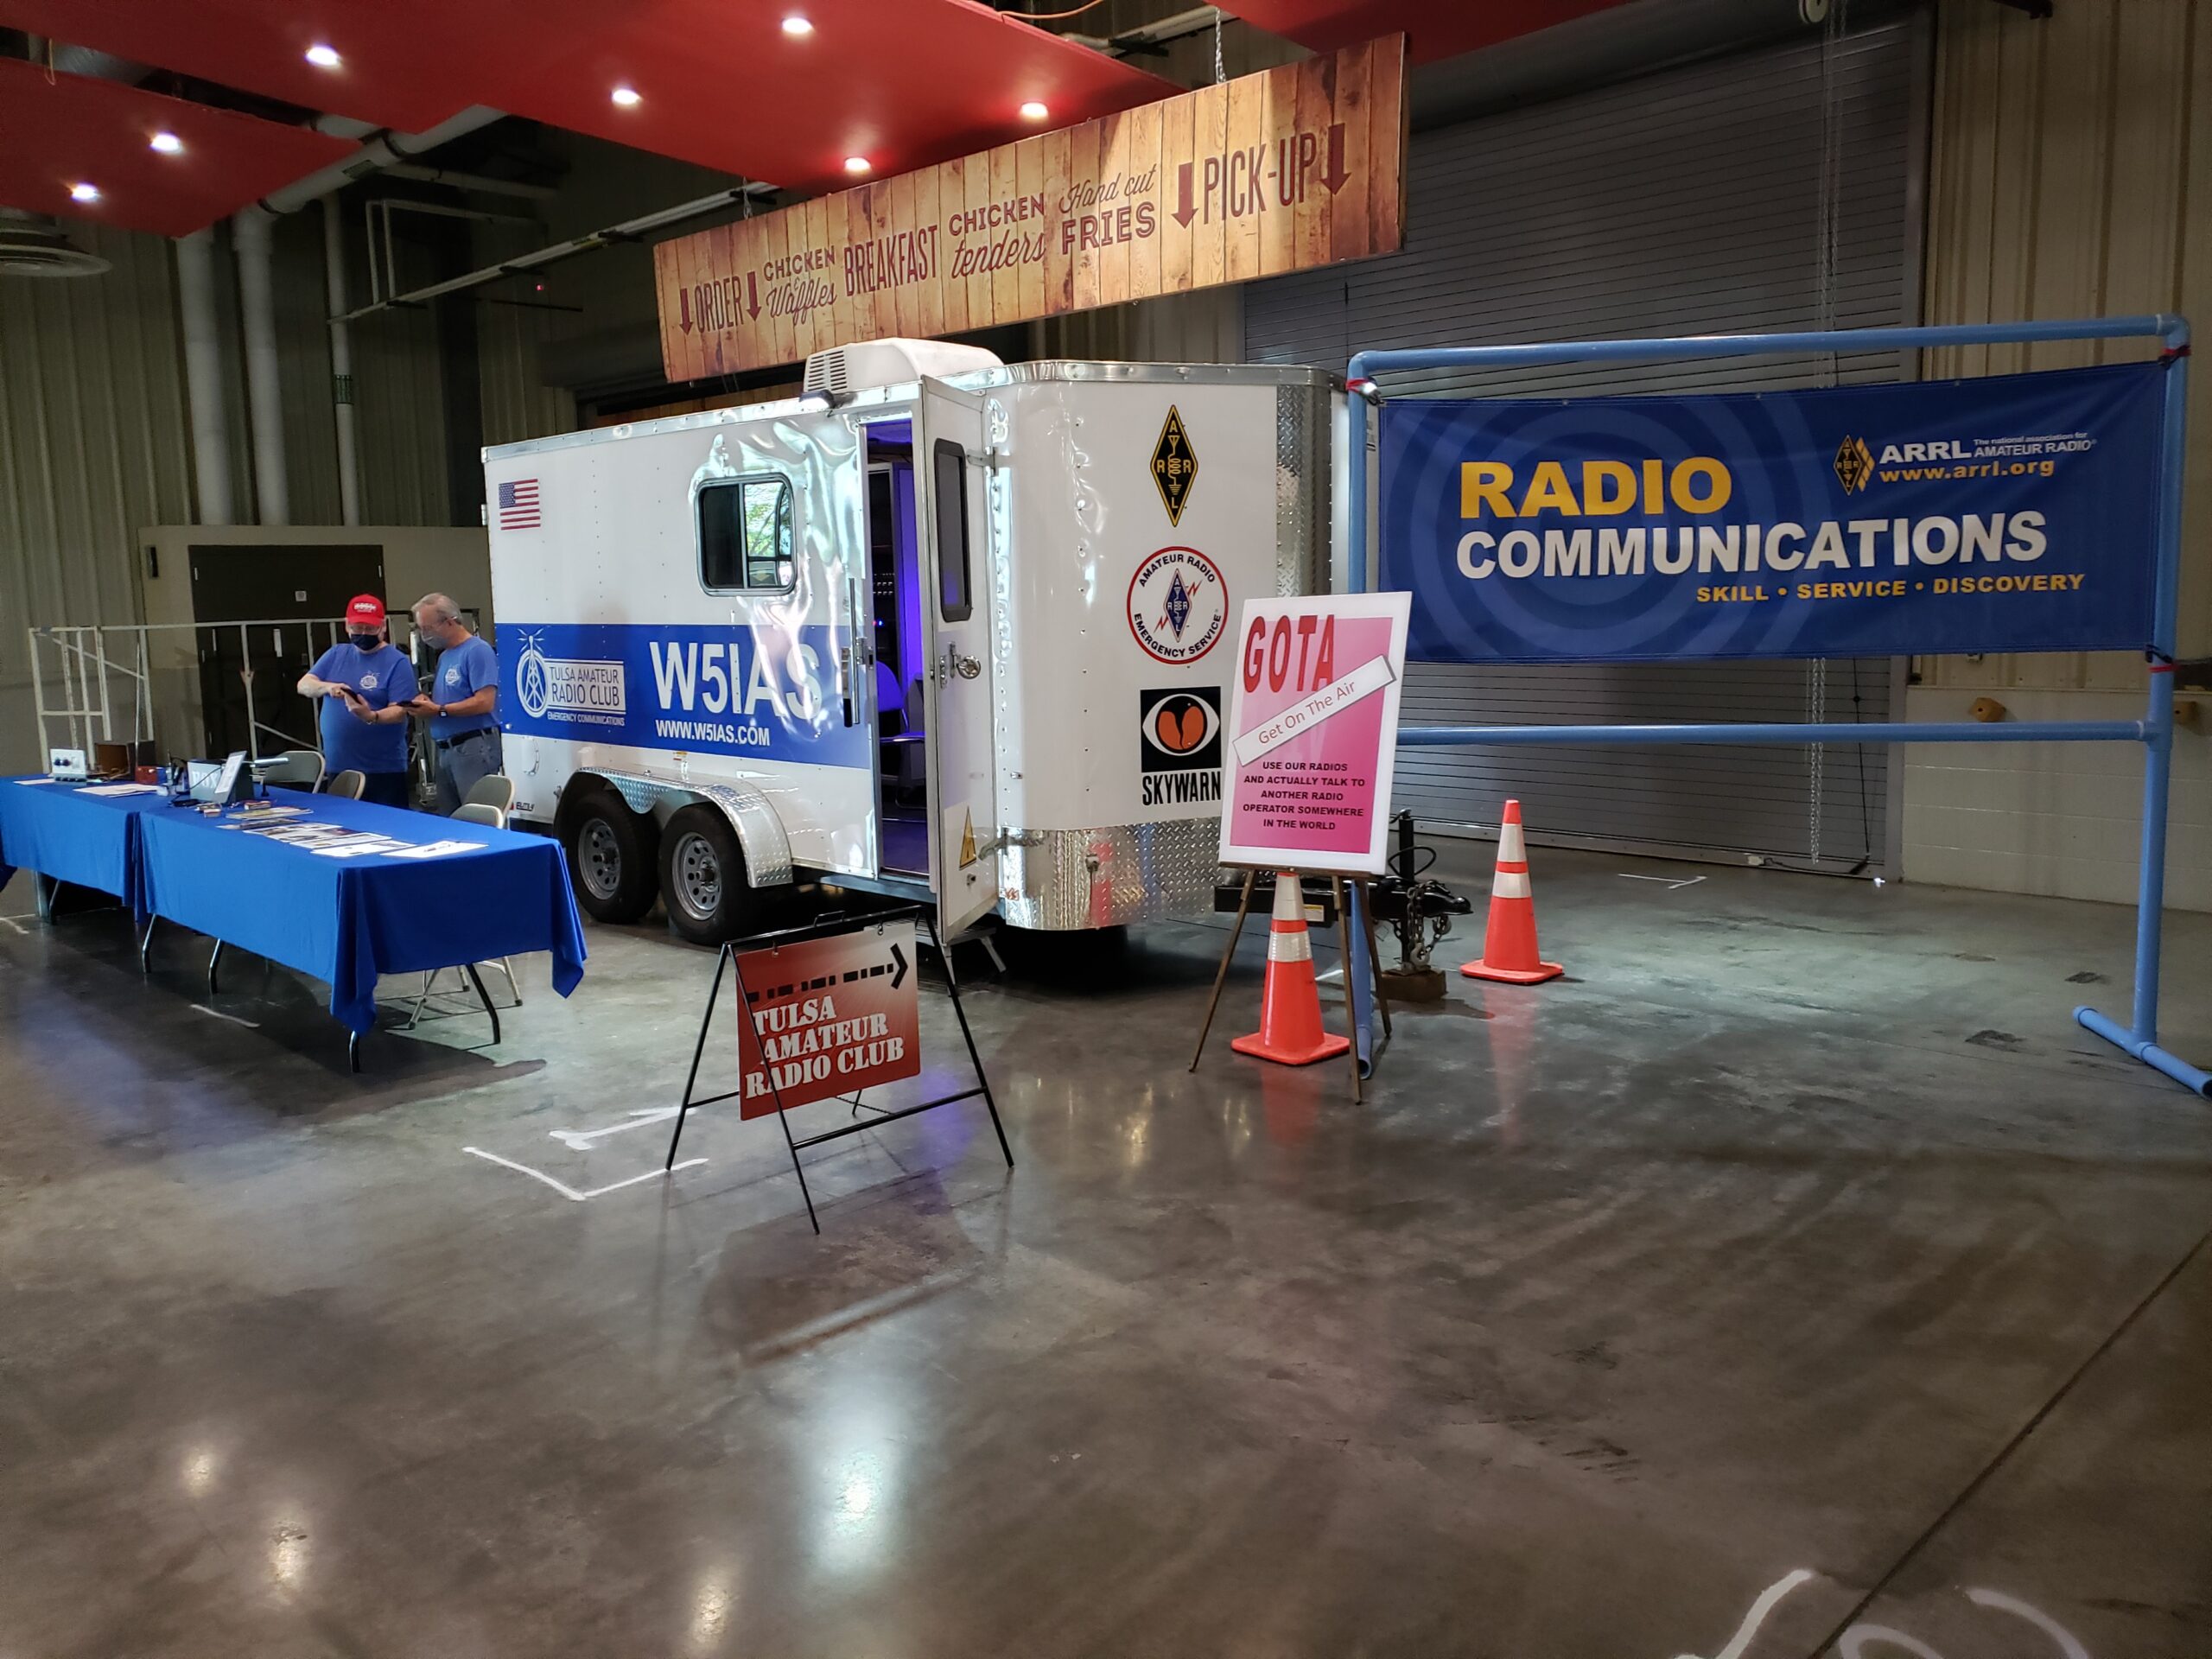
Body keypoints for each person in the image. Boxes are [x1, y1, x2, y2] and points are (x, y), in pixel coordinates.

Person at [296, 594, 418, 807]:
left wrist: (372, 716)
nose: (363, 634)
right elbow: (304, 685)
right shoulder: (336, 654)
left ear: (382, 628)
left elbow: (400, 711)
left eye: (369, 629)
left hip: (382, 769)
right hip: (339, 765)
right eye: (357, 627)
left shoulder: (397, 662)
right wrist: (328, 686)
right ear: (347, 625)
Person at [404, 592, 503, 814]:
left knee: (476, 817)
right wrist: (427, 704)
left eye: (427, 628)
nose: (424, 635)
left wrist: (439, 710)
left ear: (449, 622)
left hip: (473, 746)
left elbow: (485, 702)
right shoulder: (446, 656)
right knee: (452, 819)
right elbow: (449, 700)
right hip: (447, 749)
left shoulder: (477, 651)